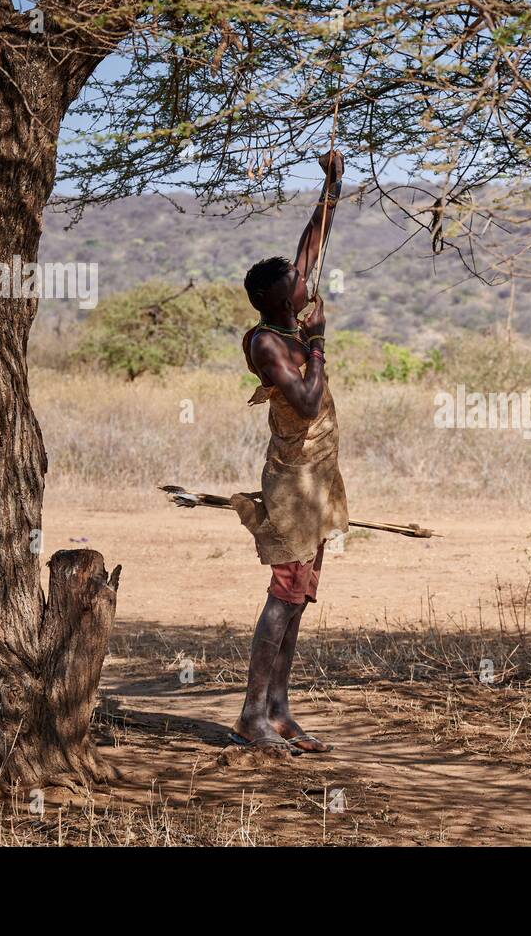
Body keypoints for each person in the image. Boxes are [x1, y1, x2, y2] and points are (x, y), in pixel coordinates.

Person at [227, 150, 348, 754]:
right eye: (296, 285)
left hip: (318, 474)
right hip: (293, 479)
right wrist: (321, 344)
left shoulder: (287, 316)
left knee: (300, 595)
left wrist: (330, 185)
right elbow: (302, 402)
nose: (306, 282)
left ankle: (279, 713)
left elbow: (312, 243)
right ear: (278, 300)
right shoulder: (271, 343)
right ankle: (252, 715)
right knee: (284, 592)